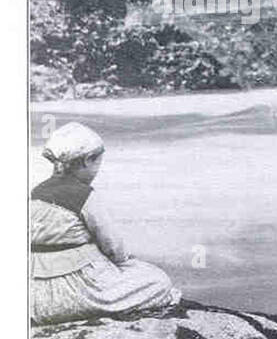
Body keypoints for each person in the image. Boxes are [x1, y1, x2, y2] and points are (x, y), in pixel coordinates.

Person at [30, 122, 180, 325]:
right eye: (97, 163)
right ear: (87, 160)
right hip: (82, 288)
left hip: (38, 295)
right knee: (158, 281)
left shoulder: (36, 193)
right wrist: (125, 263)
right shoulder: (84, 196)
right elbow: (113, 247)